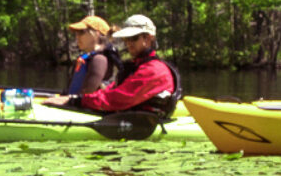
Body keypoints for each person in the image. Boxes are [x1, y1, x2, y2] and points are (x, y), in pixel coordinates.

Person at [42, 14, 181, 117]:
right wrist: (74, 99)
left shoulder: (154, 70)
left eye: (134, 38)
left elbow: (118, 99)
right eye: (126, 39)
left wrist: (74, 101)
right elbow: (111, 92)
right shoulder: (136, 66)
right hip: (130, 117)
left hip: (144, 124)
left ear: (148, 38)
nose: (129, 43)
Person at [64, 15, 121, 95]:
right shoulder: (85, 58)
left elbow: (86, 95)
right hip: (73, 101)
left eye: (81, 32)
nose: (77, 37)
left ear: (96, 34)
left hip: (82, 105)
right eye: (76, 33)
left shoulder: (99, 59)